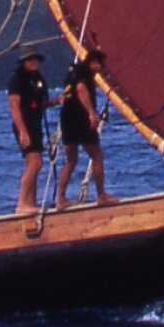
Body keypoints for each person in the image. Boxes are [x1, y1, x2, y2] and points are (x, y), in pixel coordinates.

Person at [57, 50, 117, 209]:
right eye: (101, 64)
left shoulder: (72, 73)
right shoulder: (84, 75)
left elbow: (66, 94)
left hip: (66, 119)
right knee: (97, 155)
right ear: (94, 63)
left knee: (71, 160)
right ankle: (102, 195)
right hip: (80, 119)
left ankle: (60, 199)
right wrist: (91, 113)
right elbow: (81, 89)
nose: (101, 68)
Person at [7, 48, 60, 214]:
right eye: (30, 60)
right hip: (25, 124)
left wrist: (56, 101)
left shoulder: (37, 79)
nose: (34, 62)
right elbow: (14, 106)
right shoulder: (17, 80)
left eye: (36, 59)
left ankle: (31, 203)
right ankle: (22, 203)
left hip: (35, 124)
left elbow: (40, 103)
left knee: (33, 164)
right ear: (24, 61)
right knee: (35, 163)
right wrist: (22, 131)